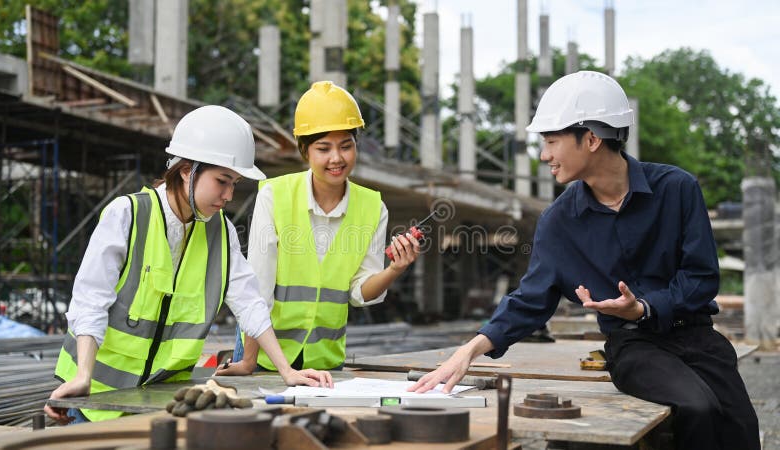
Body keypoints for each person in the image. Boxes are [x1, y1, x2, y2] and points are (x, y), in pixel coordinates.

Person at [409, 71, 760, 450]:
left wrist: (643, 306)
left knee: (740, 426)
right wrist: (470, 350)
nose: (544, 155)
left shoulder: (677, 189)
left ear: (591, 139)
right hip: (634, 348)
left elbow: (701, 278)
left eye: (551, 141)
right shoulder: (559, 222)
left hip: (697, 337)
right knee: (698, 408)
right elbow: (530, 300)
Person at [45, 105, 333, 425]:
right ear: (186, 170)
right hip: (95, 400)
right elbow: (90, 299)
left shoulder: (220, 232)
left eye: (234, 183)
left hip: (162, 403)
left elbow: (249, 302)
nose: (228, 195)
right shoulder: (127, 215)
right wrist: (83, 375)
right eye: (222, 181)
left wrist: (287, 371)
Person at [216, 81, 420, 375]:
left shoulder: (374, 207)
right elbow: (258, 287)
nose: (336, 158)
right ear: (305, 151)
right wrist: (248, 361)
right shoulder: (275, 196)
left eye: (346, 146)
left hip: (325, 362)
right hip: (265, 356)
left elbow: (360, 293)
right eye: (324, 148)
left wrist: (394, 269)